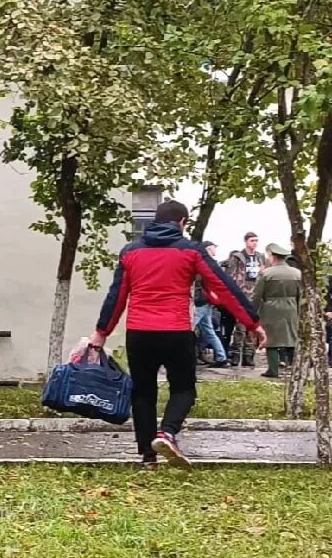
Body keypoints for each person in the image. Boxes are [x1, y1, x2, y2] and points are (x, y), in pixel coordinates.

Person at [91, 200, 263, 468]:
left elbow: (117, 296)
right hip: (176, 332)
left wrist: (101, 332)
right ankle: (167, 433)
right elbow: (224, 286)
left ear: (155, 221)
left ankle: (148, 457)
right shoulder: (191, 251)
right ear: (183, 222)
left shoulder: (130, 252)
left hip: (139, 333)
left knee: (143, 393)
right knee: (184, 390)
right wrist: (252, 322)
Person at [254, 243, 302, 379]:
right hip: (292, 307)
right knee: (291, 338)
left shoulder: (265, 273)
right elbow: (301, 294)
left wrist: (252, 311)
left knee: (271, 339)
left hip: (270, 308)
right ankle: (295, 369)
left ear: (273, 257)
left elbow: (257, 295)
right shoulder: (297, 273)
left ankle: (273, 370)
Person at [223, 233, 265, 366]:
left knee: (252, 326)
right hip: (241, 293)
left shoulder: (260, 257)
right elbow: (230, 276)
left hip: (255, 293)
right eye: (252, 240)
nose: (255, 243)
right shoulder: (238, 258)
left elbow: (264, 273)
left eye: (256, 241)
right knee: (240, 326)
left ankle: (249, 355)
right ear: (246, 242)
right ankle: (236, 354)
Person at [192, 241, 228, 367]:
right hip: (206, 299)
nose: (215, 250)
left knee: (188, 327)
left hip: (199, 300)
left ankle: (180, 355)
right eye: (213, 247)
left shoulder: (201, 263)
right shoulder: (211, 263)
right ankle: (221, 356)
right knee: (209, 330)